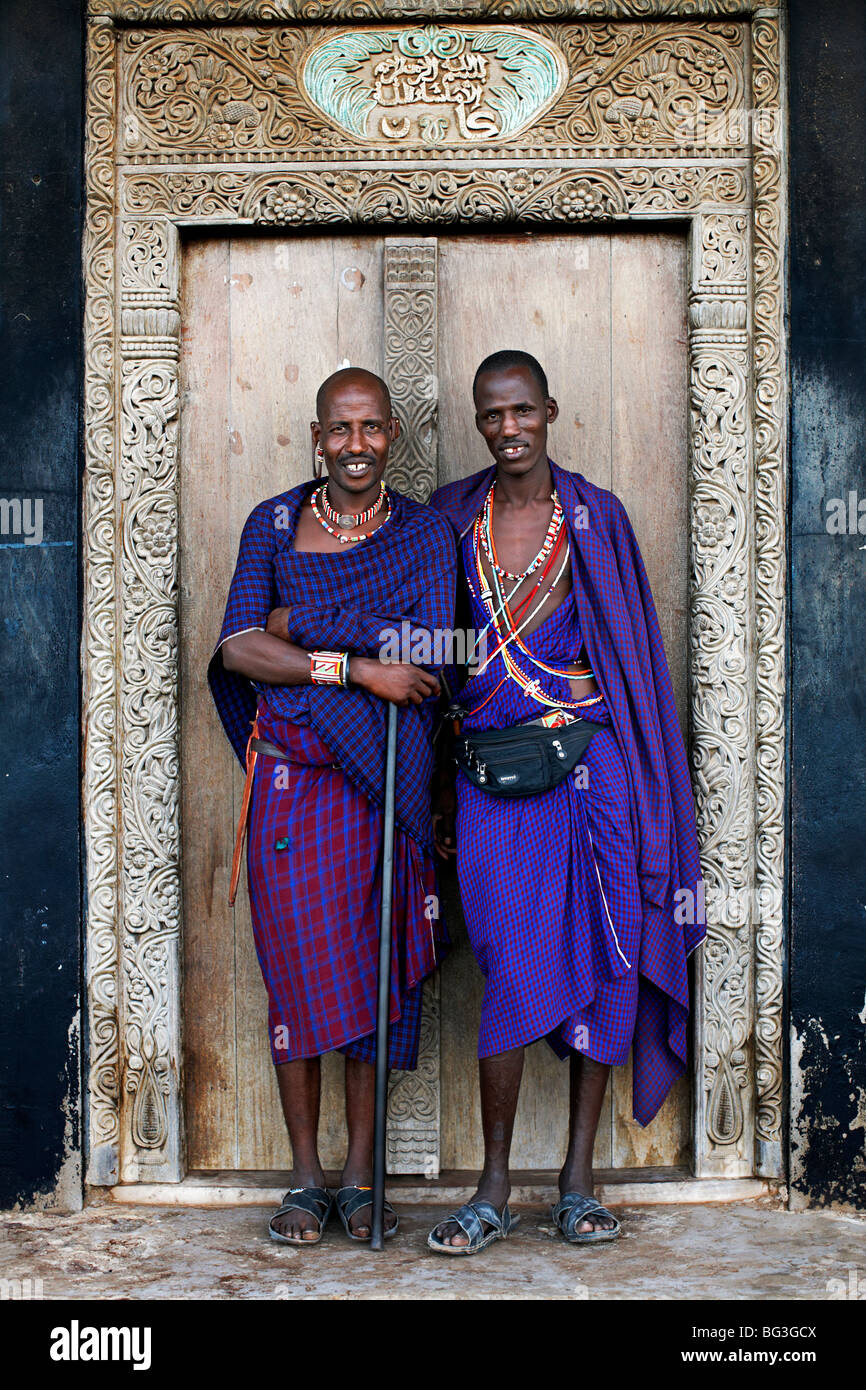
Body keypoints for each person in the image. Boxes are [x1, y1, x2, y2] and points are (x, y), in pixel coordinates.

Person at [426, 350, 704, 1254]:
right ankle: (495, 1185)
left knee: (610, 956)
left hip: (594, 772)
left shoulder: (597, 517)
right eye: (491, 416)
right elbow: (427, 645)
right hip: (491, 777)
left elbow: (630, 655)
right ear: (478, 422)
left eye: (522, 411)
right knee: (509, 965)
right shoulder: (451, 517)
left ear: (550, 410)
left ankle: (579, 1181)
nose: (508, 429)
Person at [208, 367, 456, 1245]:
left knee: (371, 978)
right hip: (289, 789)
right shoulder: (273, 522)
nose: (356, 446)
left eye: (371, 429)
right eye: (339, 430)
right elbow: (240, 647)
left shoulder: (425, 534)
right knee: (297, 981)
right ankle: (305, 1179)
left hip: (378, 786)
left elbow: (434, 652)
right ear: (317, 436)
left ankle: (360, 1178)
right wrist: (351, 666)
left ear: (392, 434)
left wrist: (302, 620)